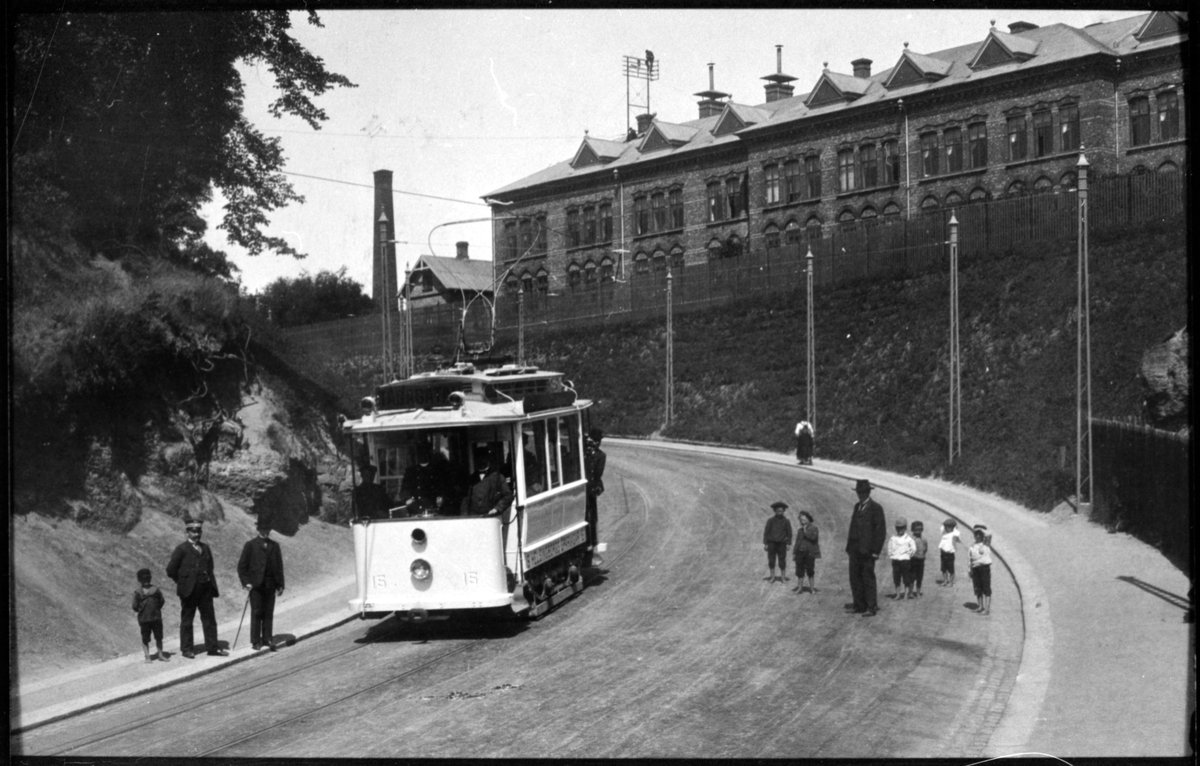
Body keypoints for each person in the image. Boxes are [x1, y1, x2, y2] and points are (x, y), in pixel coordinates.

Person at [166, 519, 227, 658]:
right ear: (187, 532)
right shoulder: (181, 549)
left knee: (209, 619)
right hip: (189, 591)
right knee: (187, 619)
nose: (196, 534)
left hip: (205, 589)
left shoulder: (205, 548)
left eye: (198, 531)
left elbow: (210, 567)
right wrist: (183, 582)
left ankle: (212, 647)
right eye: (193, 531)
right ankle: (187, 649)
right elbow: (170, 570)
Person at [237, 519, 286, 652]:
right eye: (263, 530)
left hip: (270, 585)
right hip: (256, 586)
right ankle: (255, 641)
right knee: (257, 612)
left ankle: (267, 638)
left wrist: (280, 584)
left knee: (268, 612)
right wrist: (246, 582)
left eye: (267, 530)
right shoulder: (250, 545)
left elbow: (279, 567)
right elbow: (242, 567)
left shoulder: (274, 546)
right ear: (258, 530)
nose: (265, 532)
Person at [845, 478, 887, 616]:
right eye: (859, 492)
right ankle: (859, 605)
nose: (861, 494)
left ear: (868, 492)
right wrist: (849, 547)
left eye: (863, 492)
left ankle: (871, 607)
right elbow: (853, 527)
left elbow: (880, 531)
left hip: (868, 550)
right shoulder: (857, 506)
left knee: (867, 577)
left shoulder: (876, 508)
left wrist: (876, 551)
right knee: (855, 578)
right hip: (855, 549)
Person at [400, 442, 455, 515]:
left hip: (434, 510)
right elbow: (403, 490)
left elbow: (445, 489)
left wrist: (441, 497)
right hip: (415, 510)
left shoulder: (438, 471)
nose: (422, 454)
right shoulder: (410, 471)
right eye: (420, 452)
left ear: (429, 453)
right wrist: (407, 499)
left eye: (425, 451)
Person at [461, 448, 514, 517]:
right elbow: (465, 501)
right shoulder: (471, 479)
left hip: (491, 518)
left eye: (483, 457)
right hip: (473, 520)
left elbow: (508, 496)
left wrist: (497, 508)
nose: (481, 460)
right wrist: (464, 517)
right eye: (478, 458)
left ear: (488, 459)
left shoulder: (497, 477)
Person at [132, 568, 167, 663]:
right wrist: (143, 611)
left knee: (159, 637)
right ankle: (147, 657)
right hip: (144, 619)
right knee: (145, 638)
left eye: (148, 579)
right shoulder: (138, 592)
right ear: (140, 580)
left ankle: (160, 654)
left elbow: (161, 601)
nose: (146, 581)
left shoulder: (155, 590)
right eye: (144, 579)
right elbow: (135, 606)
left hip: (156, 618)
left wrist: (155, 610)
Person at [584, 428, 607, 561]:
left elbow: (597, 474)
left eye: (597, 441)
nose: (596, 443)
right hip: (584, 489)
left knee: (592, 519)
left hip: (591, 490)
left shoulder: (601, 456)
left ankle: (592, 545)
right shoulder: (584, 453)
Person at [762, 501, 793, 583]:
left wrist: (788, 544)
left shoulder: (786, 521)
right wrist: (766, 544)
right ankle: (772, 577)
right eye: (778, 511)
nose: (780, 512)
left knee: (782, 560)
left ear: (784, 511)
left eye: (781, 511)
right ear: (775, 511)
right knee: (771, 560)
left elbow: (789, 533)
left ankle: (783, 577)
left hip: (782, 544)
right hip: (771, 543)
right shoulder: (770, 521)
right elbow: (766, 532)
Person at [888, 516, 917, 600]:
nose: (900, 530)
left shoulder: (909, 539)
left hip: (905, 561)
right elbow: (890, 548)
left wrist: (908, 555)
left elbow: (913, 549)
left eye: (902, 528)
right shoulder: (893, 538)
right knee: (896, 578)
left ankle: (905, 594)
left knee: (906, 578)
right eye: (898, 528)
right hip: (896, 560)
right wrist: (892, 555)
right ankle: (898, 594)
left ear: (905, 528)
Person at [792, 510, 821, 594]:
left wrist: (805, 531)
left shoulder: (814, 529)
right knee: (799, 570)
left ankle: (812, 588)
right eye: (801, 520)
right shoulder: (799, 530)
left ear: (809, 519)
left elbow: (813, 538)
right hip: (800, 553)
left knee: (810, 570)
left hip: (809, 553)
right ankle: (800, 588)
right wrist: (794, 552)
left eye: (804, 520)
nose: (802, 522)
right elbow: (797, 542)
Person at [969, 525, 994, 615]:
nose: (978, 536)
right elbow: (970, 559)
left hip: (984, 568)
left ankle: (987, 609)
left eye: (980, 534)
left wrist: (980, 529)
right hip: (975, 568)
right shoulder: (972, 546)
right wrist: (970, 570)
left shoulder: (986, 544)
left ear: (982, 534)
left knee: (986, 588)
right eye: (976, 534)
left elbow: (989, 534)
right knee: (978, 588)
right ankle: (980, 606)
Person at [938, 519, 964, 586]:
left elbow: (958, 536)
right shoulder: (944, 533)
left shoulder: (954, 535)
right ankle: (945, 580)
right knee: (943, 568)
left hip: (950, 554)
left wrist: (955, 528)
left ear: (952, 527)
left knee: (951, 569)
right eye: (945, 526)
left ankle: (951, 581)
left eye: (948, 527)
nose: (946, 528)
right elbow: (941, 528)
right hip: (943, 553)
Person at [910, 520, 929, 598]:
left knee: (919, 577)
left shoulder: (924, 539)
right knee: (912, 577)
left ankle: (918, 592)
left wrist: (922, 555)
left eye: (920, 529)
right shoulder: (911, 539)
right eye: (916, 530)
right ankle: (910, 592)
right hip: (913, 560)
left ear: (922, 530)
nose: (918, 531)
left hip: (921, 561)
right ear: (912, 530)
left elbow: (925, 549)